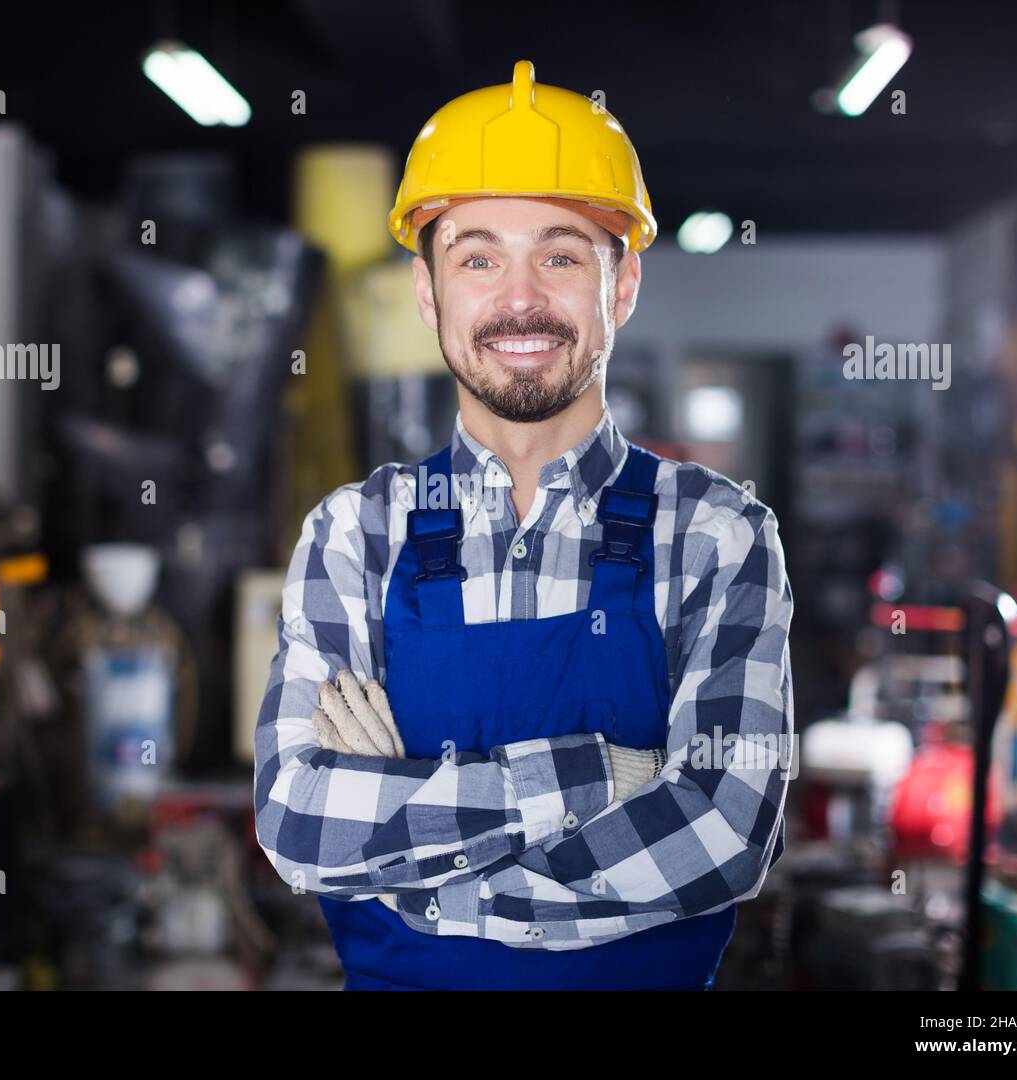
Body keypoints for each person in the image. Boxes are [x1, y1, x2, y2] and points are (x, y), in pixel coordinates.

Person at [254, 60, 794, 991]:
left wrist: (411, 871)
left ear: (619, 288)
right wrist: (595, 778)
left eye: (560, 253)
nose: (518, 300)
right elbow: (303, 823)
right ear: (428, 295)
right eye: (476, 257)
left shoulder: (718, 536)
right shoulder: (356, 534)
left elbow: (723, 837)